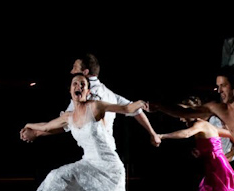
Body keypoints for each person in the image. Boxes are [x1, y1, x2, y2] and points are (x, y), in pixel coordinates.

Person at [19, 73, 184, 191]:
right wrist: (28, 126)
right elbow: (48, 126)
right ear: (70, 90)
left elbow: (126, 108)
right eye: (75, 84)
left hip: (109, 167)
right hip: (88, 164)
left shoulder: (96, 106)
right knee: (58, 177)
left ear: (88, 91)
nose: (79, 86)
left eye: (83, 84)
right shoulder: (69, 116)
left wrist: (140, 103)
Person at [19, 53, 161, 147]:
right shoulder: (108, 93)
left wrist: (35, 133)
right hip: (99, 153)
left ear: (85, 72)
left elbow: (65, 124)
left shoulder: (84, 96)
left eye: (75, 68)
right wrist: (152, 133)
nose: (71, 72)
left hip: (100, 156)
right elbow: (134, 109)